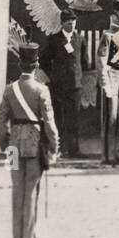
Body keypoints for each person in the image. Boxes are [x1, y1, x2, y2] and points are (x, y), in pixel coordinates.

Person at [0, 43, 58, 238]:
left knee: (16, 189)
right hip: (33, 143)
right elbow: (49, 124)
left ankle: (17, 237)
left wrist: (5, 144)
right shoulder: (42, 90)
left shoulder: (9, 89)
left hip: (13, 146)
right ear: (36, 64)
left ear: (19, 63)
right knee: (31, 189)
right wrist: (54, 148)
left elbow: (0, 120)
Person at [39, 9, 83, 158]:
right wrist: (53, 77)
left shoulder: (80, 39)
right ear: (62, 23)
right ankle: (57, 149)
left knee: (74, 119)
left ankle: (74, 150)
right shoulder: (54, 40)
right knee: (58, 118)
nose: (71, 23)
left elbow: (85, 61)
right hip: (58, 87)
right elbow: (44, 60)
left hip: (75, 86)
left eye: (73, 20)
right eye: (68, 20)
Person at [96, 7, 119, 165]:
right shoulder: (106, 35)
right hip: (111, 77)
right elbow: (101, 62)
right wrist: (106, 84)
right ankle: (107, 156)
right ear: (115, 15)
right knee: (110, 119)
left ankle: (117, 152)